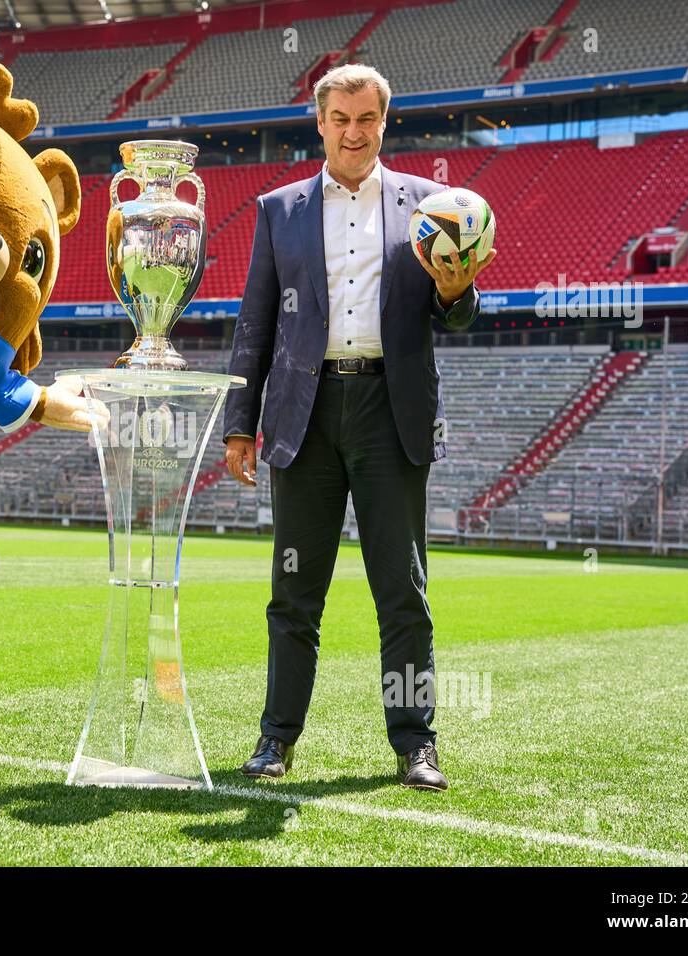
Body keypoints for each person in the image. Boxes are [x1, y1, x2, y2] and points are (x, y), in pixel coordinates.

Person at [223, 63, 496, 790]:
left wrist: (454, 290)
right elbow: (254, 324)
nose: (353, 132)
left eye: (366, 119)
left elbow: (459, 315)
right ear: (321, 123)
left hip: (389, 413)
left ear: (385, 121)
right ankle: (275, 741)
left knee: (403, 592)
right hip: (302, 418)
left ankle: (416, 745)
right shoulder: (278, 209)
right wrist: (239, 425)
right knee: (293, 593)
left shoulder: (430, 206)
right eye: (340, 119)